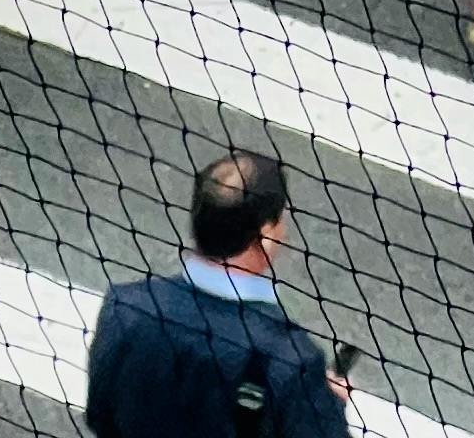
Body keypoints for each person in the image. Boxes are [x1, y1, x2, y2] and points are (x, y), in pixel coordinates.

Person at [84, 150, 350, 438]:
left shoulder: (125, 308)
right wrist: (323, 407)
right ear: (267, 236)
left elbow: (100, 416)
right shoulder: (292, 360)